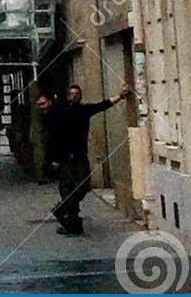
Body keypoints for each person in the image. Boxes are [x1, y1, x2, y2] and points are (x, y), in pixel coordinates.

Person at [36, 82, 132, 235]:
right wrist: (52, 159)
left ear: (80, 96)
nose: (74, 96)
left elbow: (102, 105)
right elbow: (51, 138)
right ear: (67, 96)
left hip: (80, 155)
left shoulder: (84, 110)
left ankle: (63, 210)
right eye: (71, 94)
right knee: (66, 188)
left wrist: (120, 96)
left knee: (83, 185)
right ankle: (72, 224)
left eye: (76, 94)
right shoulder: (60, 112)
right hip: (65, 158)